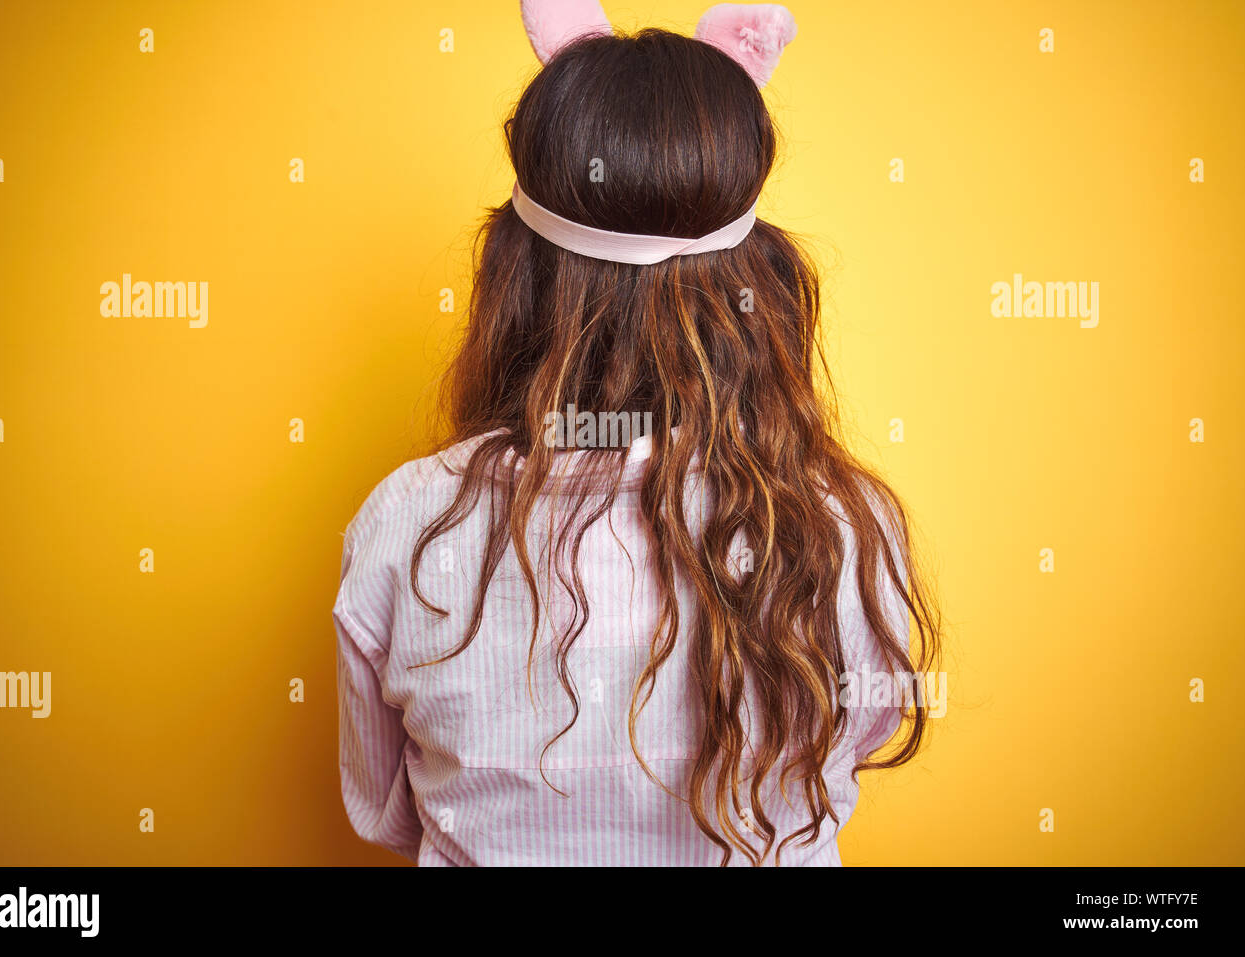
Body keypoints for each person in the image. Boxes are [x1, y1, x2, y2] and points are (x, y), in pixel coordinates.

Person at [334, 0, 940, 866]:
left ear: (515, 277)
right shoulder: (845, 524)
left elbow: (386, 810)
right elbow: (842, 757)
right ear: (760, 283)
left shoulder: (406, 520)